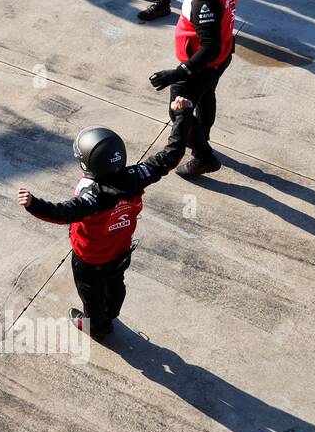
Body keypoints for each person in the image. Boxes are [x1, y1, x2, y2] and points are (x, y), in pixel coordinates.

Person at [17, 111, 192, 337]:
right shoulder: (137, 175)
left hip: (90, 260)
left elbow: (63, 214)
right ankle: (111, 313)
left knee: (91, 295)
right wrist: (183, 115)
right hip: (120, 251)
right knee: (116, 283)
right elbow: (172, 154)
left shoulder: (93, 196)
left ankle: (96, 327)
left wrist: (34, 204)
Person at [148, 0, 258, 178]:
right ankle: (202, 135)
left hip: (200, 67)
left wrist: (177, 73)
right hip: (221, 59)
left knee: (179, 112)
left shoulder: (202, 1)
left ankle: (204, 157)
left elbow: (210, 47)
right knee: (206, 97)